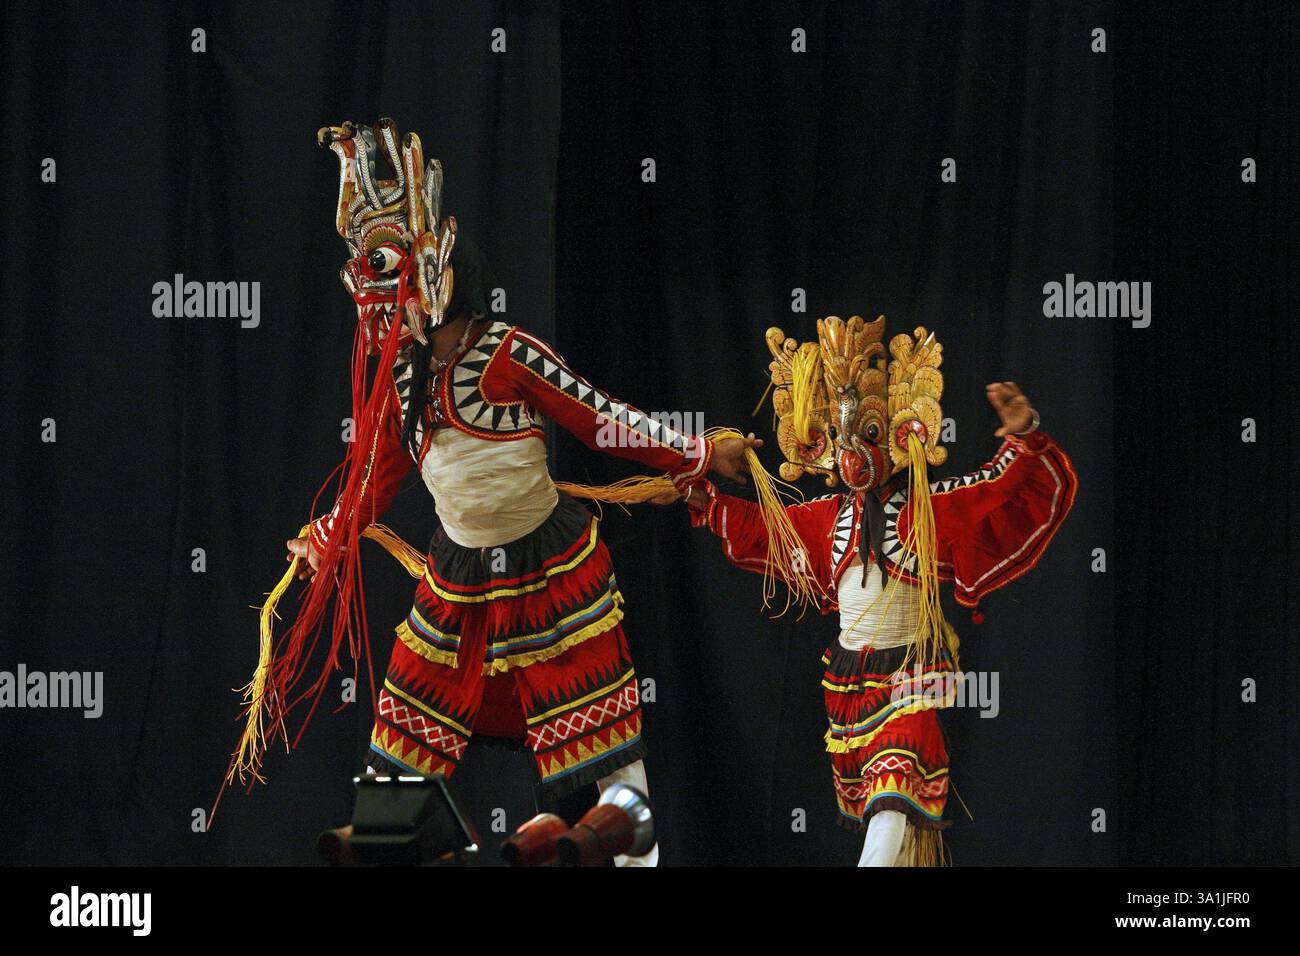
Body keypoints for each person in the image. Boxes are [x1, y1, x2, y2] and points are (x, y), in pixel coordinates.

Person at [242, 119, 751, 865]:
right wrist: (328, 534)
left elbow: (600, 418)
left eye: (390, 271)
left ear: (437, 270)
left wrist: (699, 453)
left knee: (593, 740)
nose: (380, 301)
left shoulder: (509, 354)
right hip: (459, 580)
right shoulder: (401, 378)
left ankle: (629, 842)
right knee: (408, 729)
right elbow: (377, 474)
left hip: (553, 573)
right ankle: (401, 837)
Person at [678, 315, 1077, 865]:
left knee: (893, 793)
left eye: (865, 435)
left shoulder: (930, 509)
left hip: (913, 670)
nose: (851, 454)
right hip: (849, 678)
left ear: (898, 434)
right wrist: (707, 498)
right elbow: (766, 527)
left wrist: (1025, 433)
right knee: (879, 804)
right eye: (842, 438)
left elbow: (999, 489)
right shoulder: (824, 517)